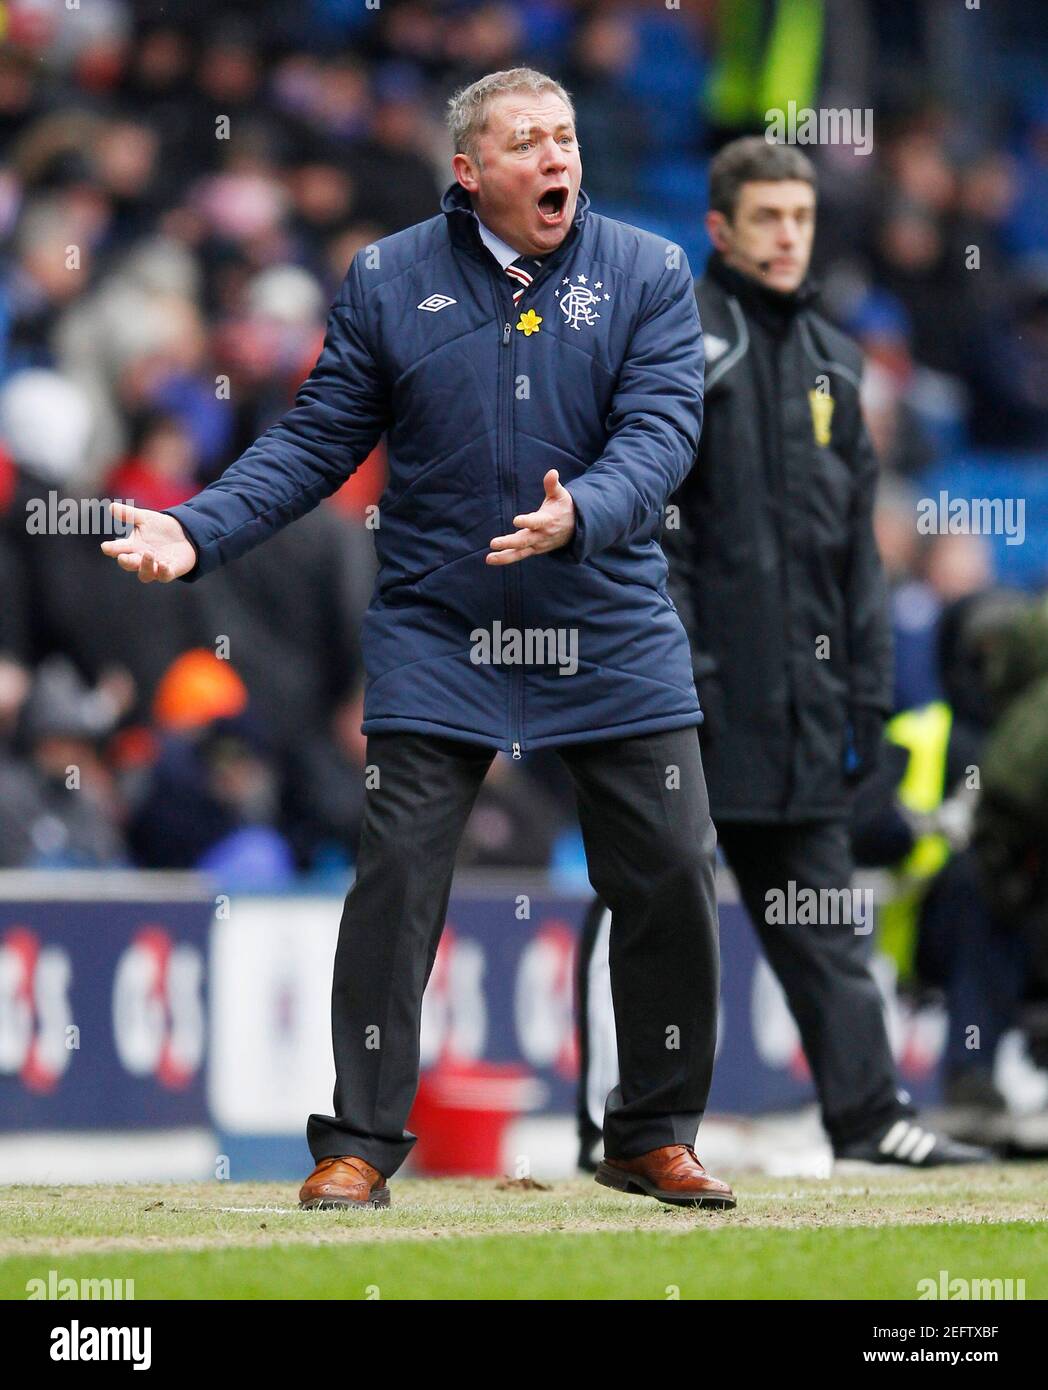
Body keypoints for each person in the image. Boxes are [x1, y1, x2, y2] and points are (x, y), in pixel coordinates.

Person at [100, 67, 735, 1211]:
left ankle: (651, 1130)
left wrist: (581, 510)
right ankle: (358, 1142)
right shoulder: (387, 278)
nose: (556, 159)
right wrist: (197, 532)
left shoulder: (647, 270)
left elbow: (662, 432)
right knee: (395, 879)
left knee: (675, 867)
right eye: (526, 142)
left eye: (566, 138)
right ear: (468, 170)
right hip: (444, 626)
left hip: (607, 614)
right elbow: (315, 442)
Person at [577, 137, 990, 1172]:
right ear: (719, 229)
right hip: (687, 699)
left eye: (799, 219)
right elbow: (644, 524)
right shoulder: (673, 345)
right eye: (765, 219)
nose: (785, 237)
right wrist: (676, 672)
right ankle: (612, 1127)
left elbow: (854, 553)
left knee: (826, 923)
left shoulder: (836, 364)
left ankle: (869, 1118)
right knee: (653, 899)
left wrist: (868, 698)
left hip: (805, 705)